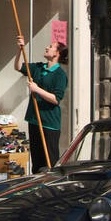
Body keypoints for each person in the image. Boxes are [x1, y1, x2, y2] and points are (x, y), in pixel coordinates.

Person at [16, 37, 69, 173]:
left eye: (51, 47)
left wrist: (37, 89)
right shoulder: (39, 68)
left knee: (49, 162)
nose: (47, 47)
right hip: (34, 120)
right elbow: (19, 67)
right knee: (37, 161)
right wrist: (20, 50)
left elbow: (56, 99)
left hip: (49, 123)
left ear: (57, 54)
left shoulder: (60, 75)